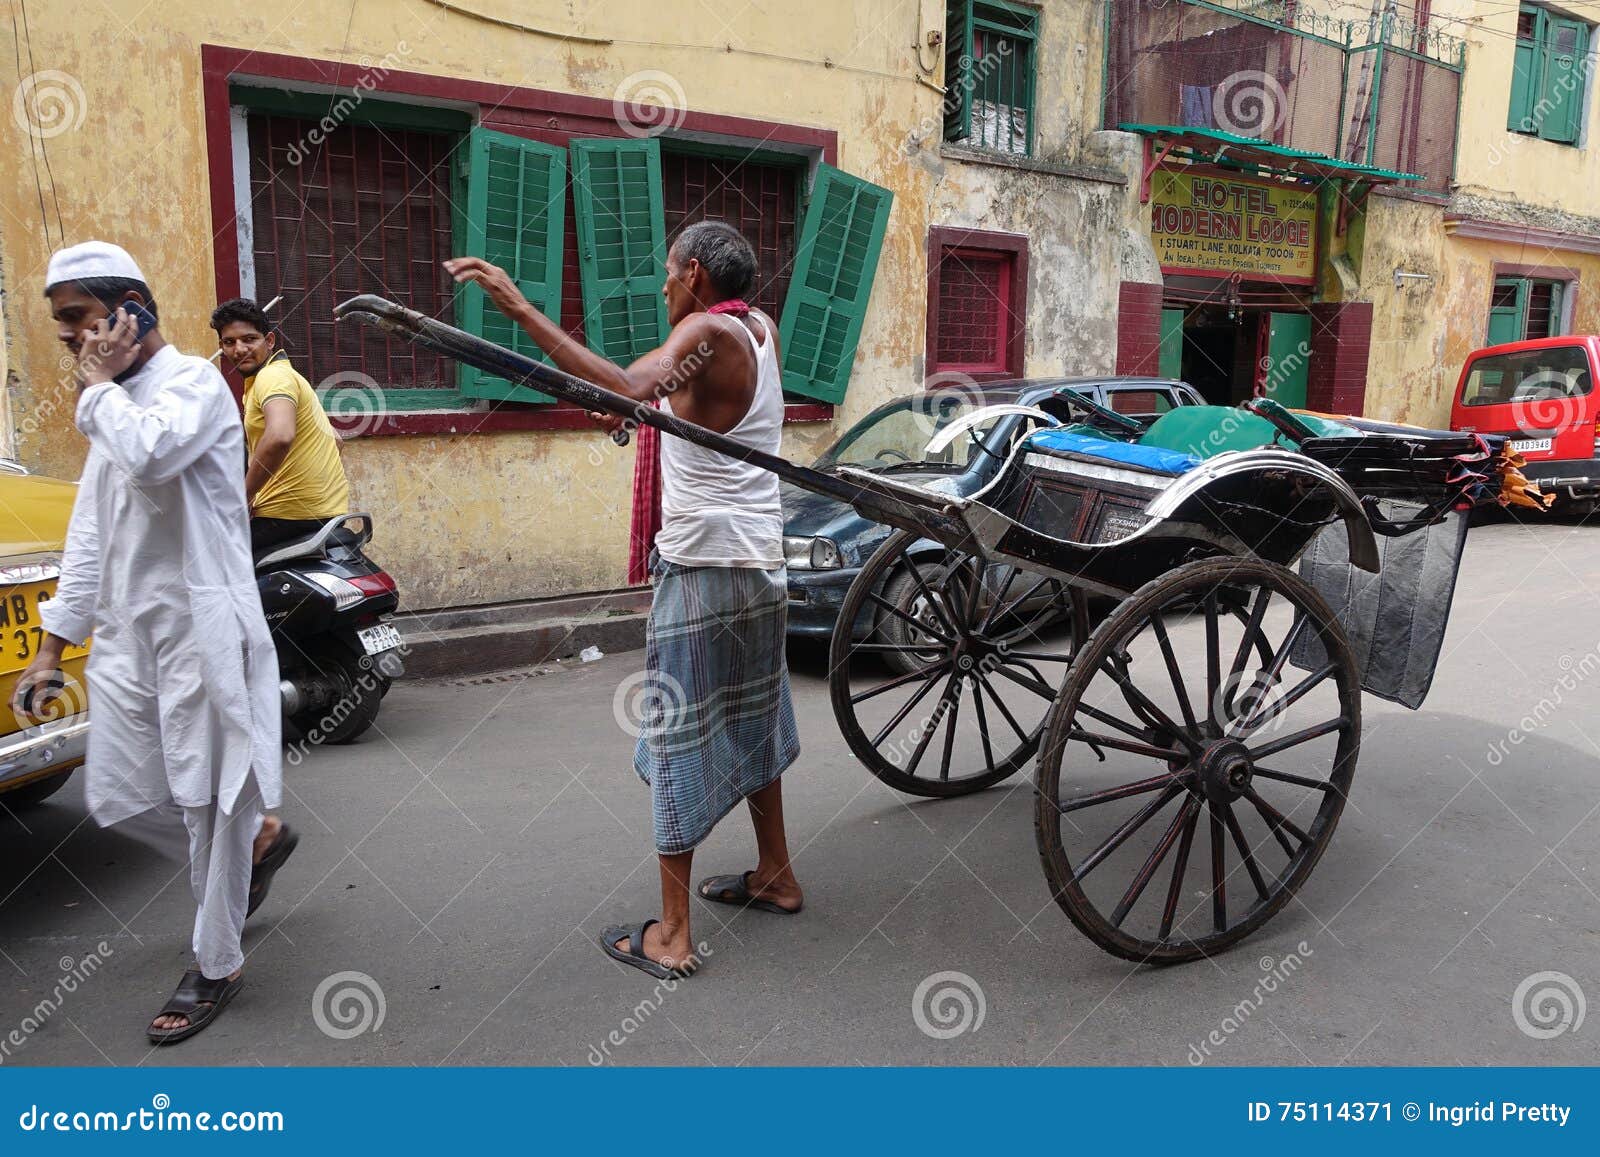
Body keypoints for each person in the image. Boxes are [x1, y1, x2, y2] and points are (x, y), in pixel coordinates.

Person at [445, 221, 803, 979]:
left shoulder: (705, 331)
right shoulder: (759, 329)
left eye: (669, 272)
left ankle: (672, 933)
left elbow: (629, 383)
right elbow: (681, 403)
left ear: (695, 273)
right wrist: (644, 410)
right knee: (754, 717)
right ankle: (775, 873)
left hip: (703, 569)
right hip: (759, 564)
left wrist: (518, 305)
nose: (663, 286)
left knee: (677, 738)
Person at [12, 242, 296, 1044]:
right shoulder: (115, 402)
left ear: (130, 309)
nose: (71, 338)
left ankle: (217, 960)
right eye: (62, 324)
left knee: (209, 801)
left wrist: (96, 388)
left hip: (205, 633)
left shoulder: (194, 384)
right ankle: (260, 837)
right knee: (118, 792)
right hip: (132, 641)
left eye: (80, 318)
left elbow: (151, 454)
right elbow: (90, 532)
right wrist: (51, 646)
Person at [209, 297, 351, 553]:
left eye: (249, 339)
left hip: (288, 518)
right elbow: (336, 439)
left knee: (210, 556)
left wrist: (244, 496)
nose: (239, 349)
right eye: (230, 342)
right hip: (327, 513)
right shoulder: (287, 375)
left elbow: (279, 436)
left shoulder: (272, 377)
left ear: (270, 341)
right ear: (221, 347)